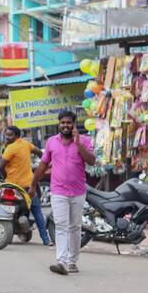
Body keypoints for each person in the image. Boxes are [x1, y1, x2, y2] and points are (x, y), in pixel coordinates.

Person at [33, 110, 95, 275]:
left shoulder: (85, 141)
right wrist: (33, 185)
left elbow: (91, 161)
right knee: (61, 226)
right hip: (58, 191)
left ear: (74, 124)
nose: (65, 125)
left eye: (68, 123)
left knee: (75, 227)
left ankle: (73, 261)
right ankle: (61, 261)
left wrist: (78, 143)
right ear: (58, 124)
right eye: (62, 122)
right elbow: (43, 165)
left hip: (78, 191)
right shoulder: (52, 142)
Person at [0, 125, 50, 246]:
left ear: (17, 136)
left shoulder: (11, 148)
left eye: (10, 135)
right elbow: (39, 153)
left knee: (6, 210)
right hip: (29, 185)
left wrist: (4, 177)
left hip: (13, 186)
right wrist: (44, 165)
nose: (7, 137)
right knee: (37, 211)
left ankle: (7, 235)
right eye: (6, 134)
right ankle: (46, 240)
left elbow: (0, 167)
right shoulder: (26, 144)